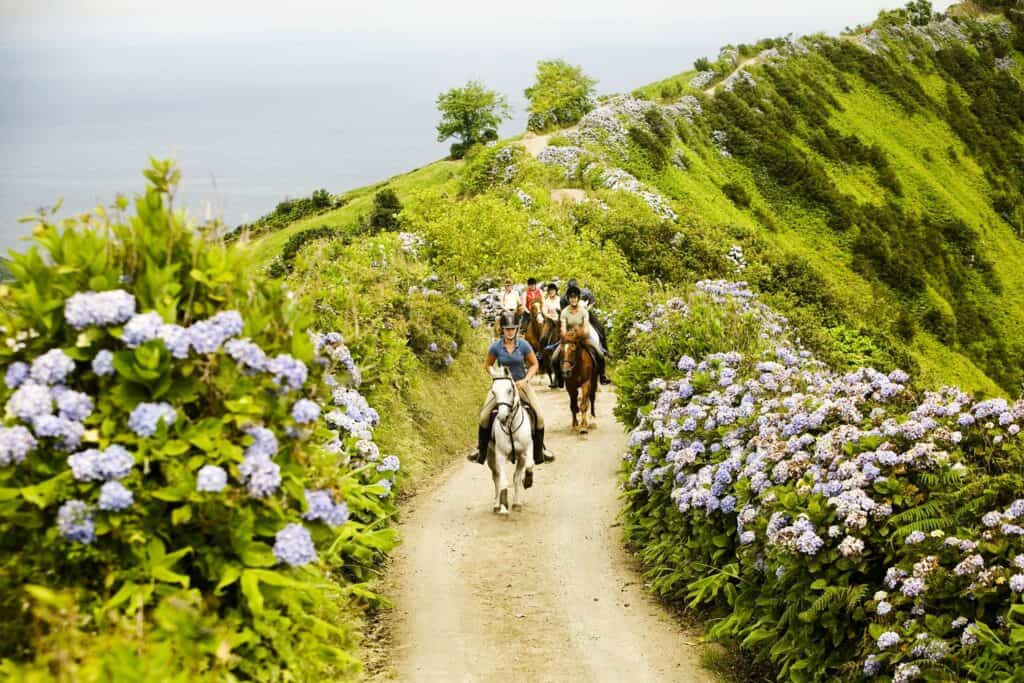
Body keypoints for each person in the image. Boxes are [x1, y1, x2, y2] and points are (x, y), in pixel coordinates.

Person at [471, 311, 552, 466]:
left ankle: (540, 451)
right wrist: (495, 375)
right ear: (503, 329)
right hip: (502, 387)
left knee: (539, 417)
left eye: (513, 328)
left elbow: (535, 364)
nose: (510, 332)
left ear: (517, 329)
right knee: (484, 416)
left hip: (521, 385)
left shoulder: (523, 345)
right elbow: (487, 365)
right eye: (507, 329)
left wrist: (526, 380)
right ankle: (480, 451)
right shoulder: (496, 347)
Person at [557, 285, 610, 384]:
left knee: (600, 354)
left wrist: (581, 334)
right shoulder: (564, 312)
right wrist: (565, 336)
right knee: (555, 357)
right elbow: (563, 327)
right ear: (568, 299)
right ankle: (559, 378)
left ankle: (602, 375)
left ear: (578, 298)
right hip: (569, 338)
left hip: (582, 337)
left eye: (575, 297)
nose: (573, 300)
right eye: (571, 298)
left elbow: (586, 327)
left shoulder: (583, 311)